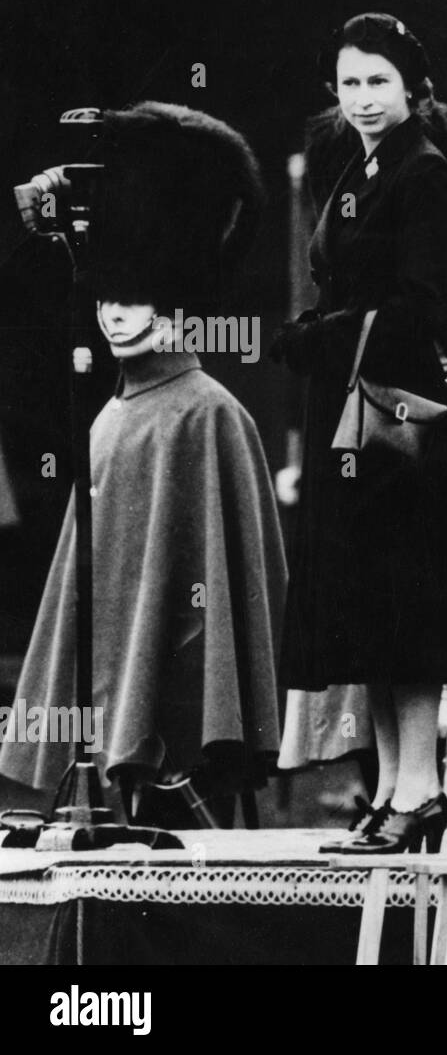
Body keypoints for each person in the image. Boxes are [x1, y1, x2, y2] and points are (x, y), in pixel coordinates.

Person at [0, 103, 284, 825]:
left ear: (174, 295)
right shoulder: (107, 418)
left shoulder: (210, 414)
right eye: (106, 298)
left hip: (188, 708)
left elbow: (224, 592)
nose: (116, 314)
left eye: (136, 297)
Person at [269, 13, 447, 853]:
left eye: (377, 82)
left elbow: (423, 309)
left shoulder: (421, 173)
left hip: (396, 415)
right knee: (375, 608)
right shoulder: (363, 164)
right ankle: (396, 789)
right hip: (355, 409)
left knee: (407, 603)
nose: (361, 99)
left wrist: (321, 336)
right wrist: (321, 330)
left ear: (411, 88)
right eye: (350, 82)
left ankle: (421, 788)